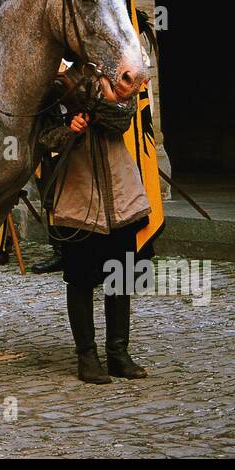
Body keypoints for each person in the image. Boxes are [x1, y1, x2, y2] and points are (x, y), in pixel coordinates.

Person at [40, 68, 150, 384]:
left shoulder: (110, 73)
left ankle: (118, 353)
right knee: (81, 279)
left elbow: (122, 119)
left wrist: (96, 101)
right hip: (78, 198)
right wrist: (68, 129)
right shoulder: (52, 85)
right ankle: (87, 357)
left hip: (121, 196)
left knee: (121, 278)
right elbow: (43, 138)